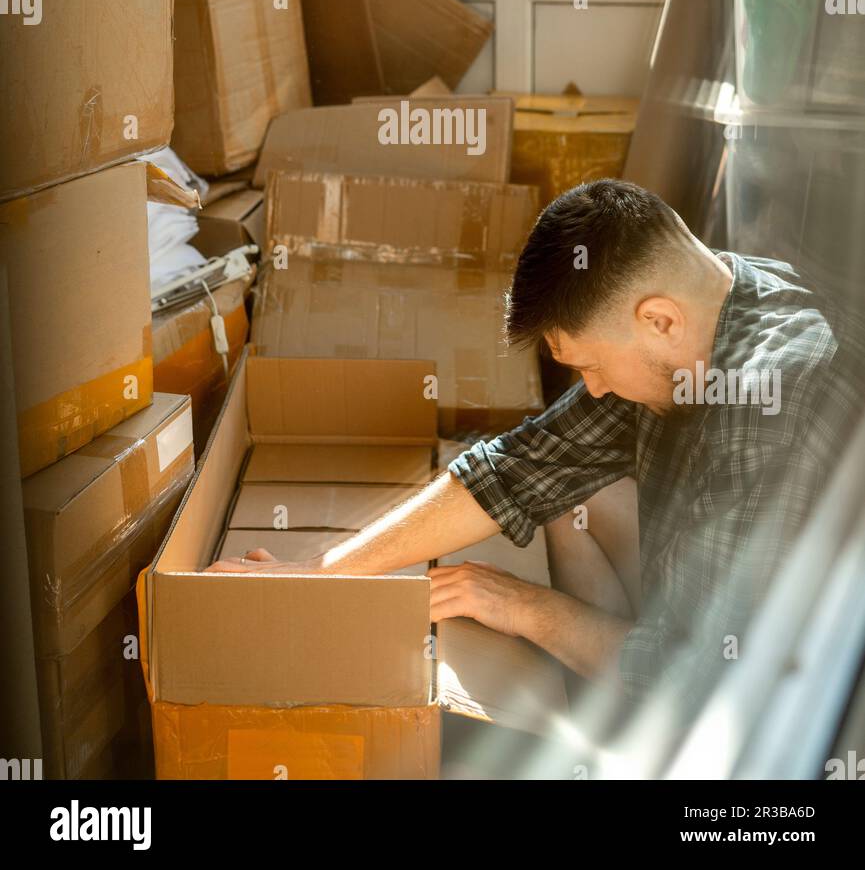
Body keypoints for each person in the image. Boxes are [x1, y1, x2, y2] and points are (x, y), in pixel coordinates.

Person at [209, 179, 860, 701]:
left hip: (774, 692)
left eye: (591, 366)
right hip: (715, 602)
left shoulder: (765, 412)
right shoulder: (708, 305)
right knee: (565, 506)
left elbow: (711, 682)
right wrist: (320, 574)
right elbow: (521, 467)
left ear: (657, 320)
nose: (593, 390)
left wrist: (524, 607)